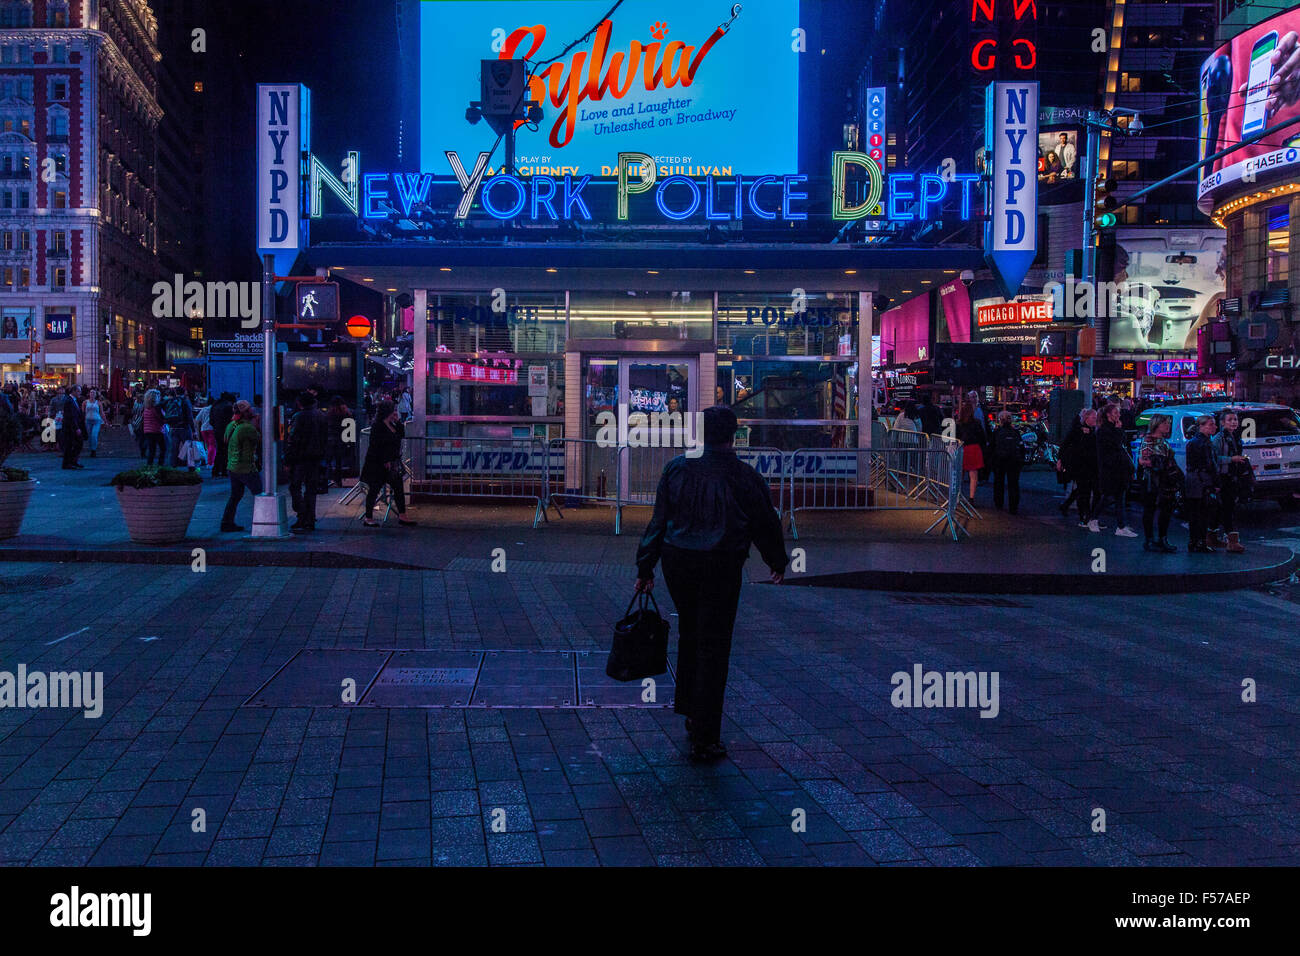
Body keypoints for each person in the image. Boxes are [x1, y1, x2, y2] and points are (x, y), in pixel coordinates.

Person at [634, 406, 789, 763]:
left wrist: (646, 567)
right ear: (732, 435)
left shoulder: (677, 470)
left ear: (700, 433)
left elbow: (658, 522)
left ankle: (690, 710)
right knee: (714, 646)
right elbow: (765, 522)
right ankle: (706, 733)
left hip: (679, 563)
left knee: (690, 633)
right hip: (721, 565)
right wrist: (776, 561)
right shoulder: (745, 476)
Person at [361, 400, 416, 527]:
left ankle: (402, 515)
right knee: (374, 489)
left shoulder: (392, 424)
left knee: (398, 488)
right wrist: (385, 460)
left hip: (392, 463)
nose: (395, 412)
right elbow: (376, 445)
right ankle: (368, 517)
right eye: (393, 410)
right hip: (379, 464)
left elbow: (401, 434)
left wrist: (398, 422)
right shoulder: (378, 426)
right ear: (388, 411)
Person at [1137, 414, 1181, 553]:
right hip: (1154, 480)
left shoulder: (1162, 441)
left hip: (1163, 479)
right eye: (1165, 424)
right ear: (1157, 425)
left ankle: (1161, 538)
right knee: (1151, 510)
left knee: (1165, 510)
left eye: (1168, 424)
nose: (1168, 426)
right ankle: (1151, 539)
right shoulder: (1150, 440)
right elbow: (1147, 461)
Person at [286, 391, 328, 534]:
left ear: (300, 403)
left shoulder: (298, 417)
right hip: (316, 457)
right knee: (311, 489)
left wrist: (288, 458)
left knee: (295, 487)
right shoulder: (321, 416)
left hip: (300, 457)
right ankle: (309, 518)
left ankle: (303, 514)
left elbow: (293, 439)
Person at [1211, 408, 1250, 554]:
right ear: (1222, 423)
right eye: (1230, 420)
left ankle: (1213, 536)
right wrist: (1231, 459)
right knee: (1227, 508)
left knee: (1224, 508)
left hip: (1232, 476)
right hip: (1223, 477)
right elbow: (1214, 459)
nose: (1233, 422)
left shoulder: (1234, 436)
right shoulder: (1219, 438)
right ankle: (1231, 541)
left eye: (1235, 420)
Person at [1096, 402, 1137, 538]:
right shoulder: (1104, 430)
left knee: (1118, 497)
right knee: (1110, 496)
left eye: (1118, 413)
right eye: (1115, 413)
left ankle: (1120, 526)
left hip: (1118, 468)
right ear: (1108, 415)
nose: (1118, 415)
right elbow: (1116, 445)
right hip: (1111, 468)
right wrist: (1119, 431)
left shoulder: (1113, 429)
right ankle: (1094, 519)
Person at [220, 401, 261, 532]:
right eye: (250, 409)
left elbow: (225, 440)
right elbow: (260, 439)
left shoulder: (231, 425)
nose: (253, 411)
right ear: (246, 412)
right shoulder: (247, 428)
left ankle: (226, 522)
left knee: (235, 495)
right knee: (261, 494)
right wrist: (257, 424)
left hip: (232, 466)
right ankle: (263, 522)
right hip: (246, 467)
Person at [1059, 409, 1102, 529]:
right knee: (1084, 491)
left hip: (1091, 466)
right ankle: (1084, 516)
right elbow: (1066, 444)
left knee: (1087, 490)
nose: (1095, 420)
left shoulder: (1094, 431)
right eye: (1093, 418)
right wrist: (1061, 459)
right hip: (1081, 465)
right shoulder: (1079, 430)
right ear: (1087, 418)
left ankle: (1087, 515)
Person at [1185, 414, 1219, 553]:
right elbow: (1210, 464)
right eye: (1211, 424)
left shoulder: (1194, 442)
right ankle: (1200, 542)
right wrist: (1215, 482)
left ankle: (1195, 541)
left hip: (1194, 479)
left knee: (1195, 512)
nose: (1214, 427)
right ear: (1201, 426)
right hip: (1202, 480)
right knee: (1203, 512)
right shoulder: (1204, 443)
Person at [990, 410, 1023, 514]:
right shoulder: (1016, 433)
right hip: (1014, 460)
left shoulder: (997, 433)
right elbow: (1021, 447)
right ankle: (1013, 506)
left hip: (1000, 460)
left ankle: (999, 503)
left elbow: (992, 446)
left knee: (999, 482)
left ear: (1000, 420)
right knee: (1013, 483)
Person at [955, 403, 985, 502]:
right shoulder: (977, 422)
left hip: (962, 448)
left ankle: (958, 495)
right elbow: (982, 437)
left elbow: (956, 438)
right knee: (973, 475)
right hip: (974, 448)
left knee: (960, 473)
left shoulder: (959, 424)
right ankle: (971, 497)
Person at [163, 387, 195, 467]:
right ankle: (191, 466)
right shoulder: (185, 401)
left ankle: (173, 466)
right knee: (189, 447)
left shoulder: (170, 401)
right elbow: (189, 416)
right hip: (184, 428)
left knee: (173, 449)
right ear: (184, 392)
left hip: (173, 428)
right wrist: (193, 429)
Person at [325, 395, 352, 488]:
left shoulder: (329, 414)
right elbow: (349, 429)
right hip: (342, 440)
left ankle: (327, 479)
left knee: (328, 461)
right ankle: (338, 480)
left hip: (330, 440)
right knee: (339, 462)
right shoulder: (347, 413)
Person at [60, 385, 85, 469]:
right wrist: (76, 427)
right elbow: (71, 416)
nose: (80, 393)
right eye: (78, 391)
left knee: (77, 444)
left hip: (73, 426)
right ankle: (67, 463)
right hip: (70, 427)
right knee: (70, 445)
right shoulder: (69, 401)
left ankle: (73, 461)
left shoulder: (73, 400)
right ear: (73, 391)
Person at [210, 392, 234, 478]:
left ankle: (216, 470)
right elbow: (231, 420)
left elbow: (211, 421)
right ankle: (223, 470)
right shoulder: (229, 406)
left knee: (220, 450)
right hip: (226, 430)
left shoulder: (215, 406)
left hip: (217, 430)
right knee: (226, 451)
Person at [140, 388, 166, 467]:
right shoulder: (157, 408)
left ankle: (149, 465)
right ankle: (160, 464)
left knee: (152, 449)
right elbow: (162, 419)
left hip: (147, 431)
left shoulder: (146, 408)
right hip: (157, 430)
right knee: (163, 448)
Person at [195, 397, 215, 470]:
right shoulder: (214, 409)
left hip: (203, 429)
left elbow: (197, 420)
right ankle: (210, 463)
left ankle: (208, 461)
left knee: (207, 446)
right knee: (212, 446)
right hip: (211, 429)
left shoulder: (204, 409)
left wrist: (197, 431)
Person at [83, 388, 103, 458]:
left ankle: (93, 450)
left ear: (96, 395)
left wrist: (105, 421)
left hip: (97, 420)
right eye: (91, 392)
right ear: (89, 394)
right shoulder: (85, 402)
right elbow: (82, 412)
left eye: (93, 393)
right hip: (88, 420)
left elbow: (101, 412)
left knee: (94, 435)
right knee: (89, 436)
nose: (92, 394)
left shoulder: (98, 403)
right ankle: (91, 448)